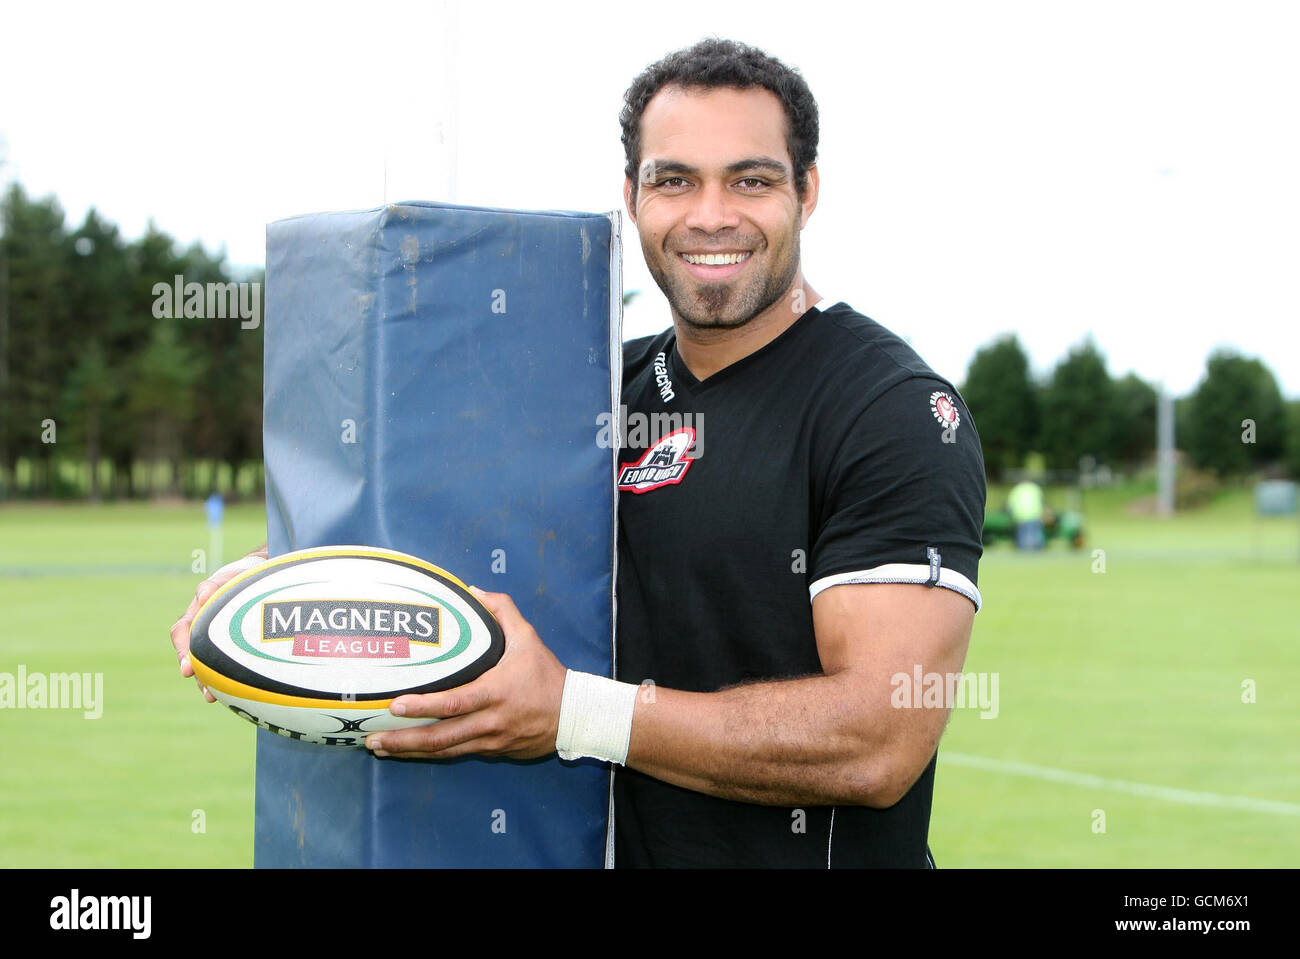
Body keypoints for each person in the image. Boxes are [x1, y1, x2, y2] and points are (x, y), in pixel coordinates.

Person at [170, 38, 986, 868]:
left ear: (806, 192)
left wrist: (576, 713)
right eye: (674, 179)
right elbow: (461, 550)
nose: (710, 214)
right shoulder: (595, 388)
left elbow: (878, 739)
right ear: (631, 197)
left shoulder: (890, 410)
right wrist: (287, 592)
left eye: (751, 179)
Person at [1008, 478, 1045, 550]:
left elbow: (1010, 503)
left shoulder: (1016, 489)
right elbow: (1041, 500)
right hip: (1034, 515)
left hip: (1020, 516)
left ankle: (1023, 551)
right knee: (1036, 534)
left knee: (1022, 535)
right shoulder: (1035, 488)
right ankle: (1036, 550)